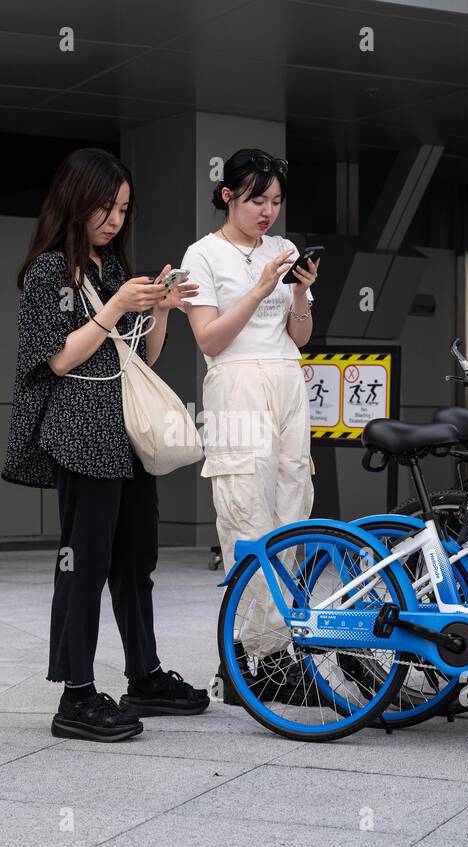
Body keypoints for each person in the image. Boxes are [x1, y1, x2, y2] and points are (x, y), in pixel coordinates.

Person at [2, 147, 208, 742]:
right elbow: (60, 359)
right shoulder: (47, 272)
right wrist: (117, 305)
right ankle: (76, 696)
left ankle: (144, 675)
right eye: (104, 207)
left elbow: (141, 357)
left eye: (122, 209)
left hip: (125, 432)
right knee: (83, 563)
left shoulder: (112, 270)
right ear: (75, 201)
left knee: (136, 560)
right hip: (80, 432)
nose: (115, 220)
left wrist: (162, 309)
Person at [179, 148, 319, 706]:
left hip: (288, 378)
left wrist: (301, 290)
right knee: (246, 519)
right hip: (235, 383)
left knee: (293, 511)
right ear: (227, 196)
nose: (268, 212)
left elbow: (301, 337)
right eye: (257, 199)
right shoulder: (202, 254)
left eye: (276, 201)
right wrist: (261, 289)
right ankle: (244, 660)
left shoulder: (283, 250)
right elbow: (209, 339)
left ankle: (276, 654)